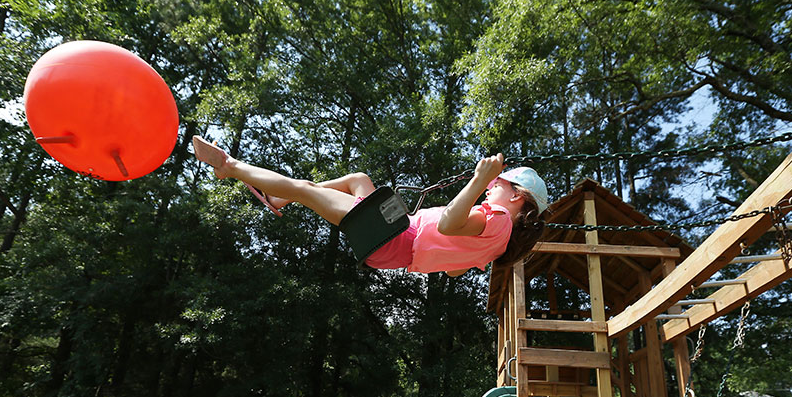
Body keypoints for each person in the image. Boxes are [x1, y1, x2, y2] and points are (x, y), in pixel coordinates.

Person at [191, 136, 548, 275]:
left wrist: (478, 179)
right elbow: (453, 269)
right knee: (358, 179)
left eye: (497, 184)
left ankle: (230, 168)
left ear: (516, 196)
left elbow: (448, 224)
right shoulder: (494, 247)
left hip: (395, 237)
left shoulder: (499, 217)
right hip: (396, 241)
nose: (490, 190)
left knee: (304, 189)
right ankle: (281, 196)